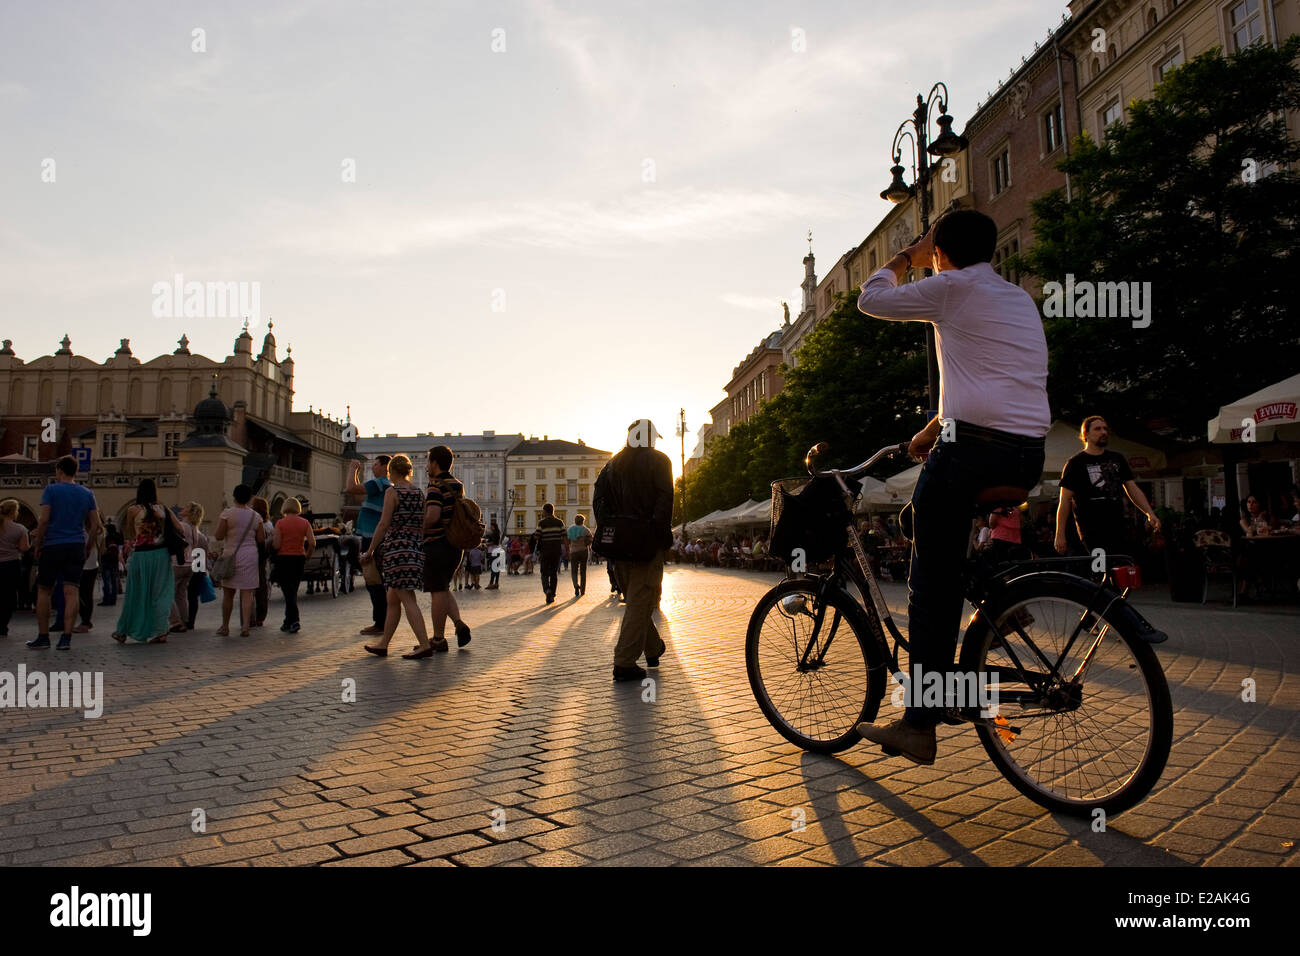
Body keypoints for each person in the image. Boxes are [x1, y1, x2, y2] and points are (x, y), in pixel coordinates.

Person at [853, 209, 1050, 764]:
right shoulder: (1016, 298)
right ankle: (997, 595)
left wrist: (903, 259)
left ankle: (918, 723)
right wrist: (927, 432)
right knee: (918, 521)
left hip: (970, 454)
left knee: (927, 584)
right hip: (1025, 453)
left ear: (940, 251)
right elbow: (990, 381)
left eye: (932, 251)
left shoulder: (950, 286)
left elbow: (870, 298)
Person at [594, 419, 673, 681]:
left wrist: (611, 528)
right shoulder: (659, 460)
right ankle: (624, 662)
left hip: (618, 541)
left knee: (637, 598)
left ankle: (653, 648)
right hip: (645, 541)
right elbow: (664, 502)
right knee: (641, 600)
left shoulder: (612, 465)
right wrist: (658, 536)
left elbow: (598, 503)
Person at [360, 454, 433, 658]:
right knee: (392, 599)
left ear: (392, 471)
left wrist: (370, 550)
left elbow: (383, 524)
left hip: (397, 551)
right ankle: (383, 644)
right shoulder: (419, 493)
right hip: (415, 550)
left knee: (408, 600)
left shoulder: (393, 492)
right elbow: (423, 523)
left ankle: (424, 644)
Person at [27, 456, 102, 650]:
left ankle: (43, 637)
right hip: (76, 545)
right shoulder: (87, 493)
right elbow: (95, 525)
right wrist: (88, 545)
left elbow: (44, 520)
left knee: (44, 590)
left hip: (53, 545)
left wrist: (38, 544)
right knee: (72, 591)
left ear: (59, 470)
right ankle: (66, 637)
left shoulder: (51, 490)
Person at [113, 478, 186, 645]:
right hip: (161, 555)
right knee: (160, 594)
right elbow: (181, 529)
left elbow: (131, 534)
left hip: (142, 556)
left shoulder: (133, 510)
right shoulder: (164, 509)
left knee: (136, 593)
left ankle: (123, 631)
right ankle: (161, 631)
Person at [422, 444, 471, 651]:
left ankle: (438, 639)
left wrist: (418, 527)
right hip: (454, 546)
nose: (426, 465)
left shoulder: (435, 486)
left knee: (437, 592)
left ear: (434, 462)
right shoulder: (457, 485)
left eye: (427, 461)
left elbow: (433, 516)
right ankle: (459, 625)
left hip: (437, 545)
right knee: (443, 587)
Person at [347, 455, 391, 636]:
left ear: (383, 466)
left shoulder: (379, 483)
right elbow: (358, 496)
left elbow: (351, 489)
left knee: (373, 581)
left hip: (371, 537)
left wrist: (352, 469)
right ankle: (382, 620)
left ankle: (380, 622)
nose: (372, 467)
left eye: (375, 464)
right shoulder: (383, 486)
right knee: (376, 580)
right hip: (376, 537)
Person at [214, 484, 265, 637]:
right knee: (247, 592)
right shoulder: (256, 516)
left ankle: (225, 626)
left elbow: (218, 535)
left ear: (234, 496)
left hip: (231, 555)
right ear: (250, 498)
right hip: (249, 555)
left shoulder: (227, 514)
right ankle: (245, 627)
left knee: (228, 593)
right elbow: (261, 538)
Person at [271, 496, 315, 633]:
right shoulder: (305, 523)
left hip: (284, 559)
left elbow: (277, 544)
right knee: (292, 591)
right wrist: (307, 555)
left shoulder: (280, 523)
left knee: (288, 592)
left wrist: (273, 544)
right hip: (299, 559)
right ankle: (287, 622)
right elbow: (313, 543)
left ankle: (294, 621)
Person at [0, 499, 31, 637]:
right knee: (9, 596)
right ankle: (2, 626)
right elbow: (24, 548)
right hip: (11, 564)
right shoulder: (20, 529)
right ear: (13, 512)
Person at [74, 514, 105, 633]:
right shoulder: (100, 530)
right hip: (94, 563)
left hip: (83, 563)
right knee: (87, 594)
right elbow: (102, 549)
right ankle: (86, 620)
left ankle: (85, 621)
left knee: (82, 594)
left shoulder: (83, 531)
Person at [182, 503, 209, 630]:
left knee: (181, 594)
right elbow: (202, 556)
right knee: (193, 597)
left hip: (183, 565)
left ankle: (182, 619)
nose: (182, 509)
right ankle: (190, 621)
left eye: (186, 508)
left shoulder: (183, 530)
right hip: (197, 567)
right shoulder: (202, 536)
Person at [533, 503, 566, 604]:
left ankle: (547, 590)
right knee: (553, 573)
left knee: (544, 572)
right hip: (556, 551)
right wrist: (567, 550)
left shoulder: (541, 523)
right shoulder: (560, 522)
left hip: (545, 551)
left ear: (545, 511)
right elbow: (565, 537)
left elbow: (537, 536)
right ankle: (552, 593)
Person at [250, 496, 273, 628]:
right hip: (263, 558)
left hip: (251, 555)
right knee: (261, 587)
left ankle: (249, 616)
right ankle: (260, 616)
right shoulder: (269, 525)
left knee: (249, 588)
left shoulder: (254, 522)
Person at [568, 513, 592, 598]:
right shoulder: (585, 530)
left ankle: (575, 586)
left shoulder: (570, 529)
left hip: (573, 551)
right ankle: (582, 590)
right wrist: (585, 543)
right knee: (583, 571)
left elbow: (568, 541)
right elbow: (590, 539)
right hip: (583, 551)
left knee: (574, 571)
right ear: (583, 521)